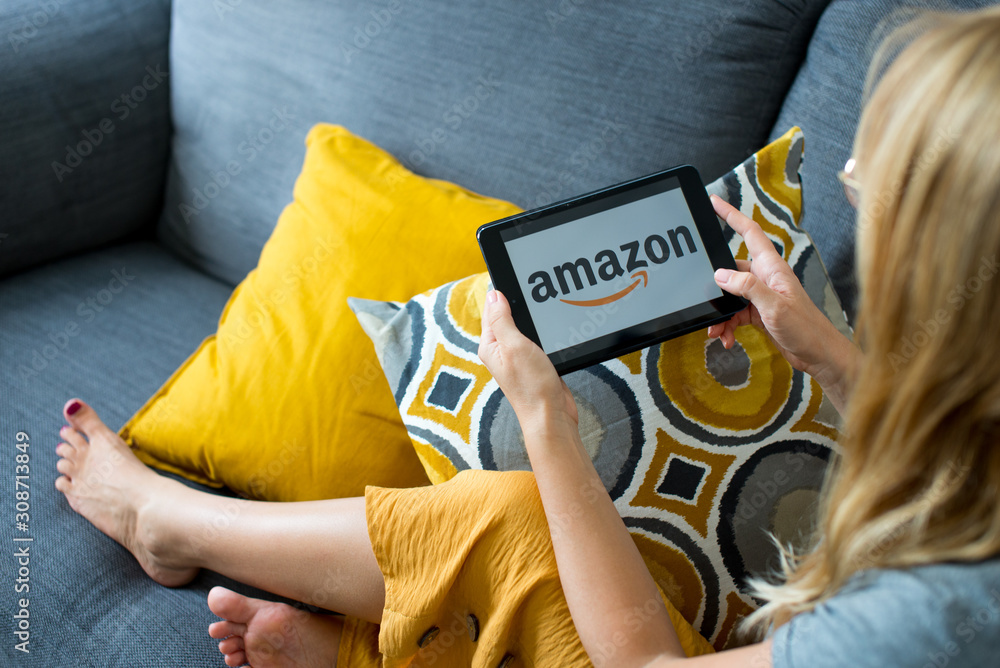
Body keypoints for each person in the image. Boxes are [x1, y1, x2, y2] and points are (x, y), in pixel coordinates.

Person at [54, 6, 1000, 667]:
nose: (842, 183)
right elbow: (954, 469)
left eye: (870, 203)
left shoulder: (929, 618)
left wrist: (547, 422)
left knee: (519, 518)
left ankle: (168, 523)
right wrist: (825, 354)